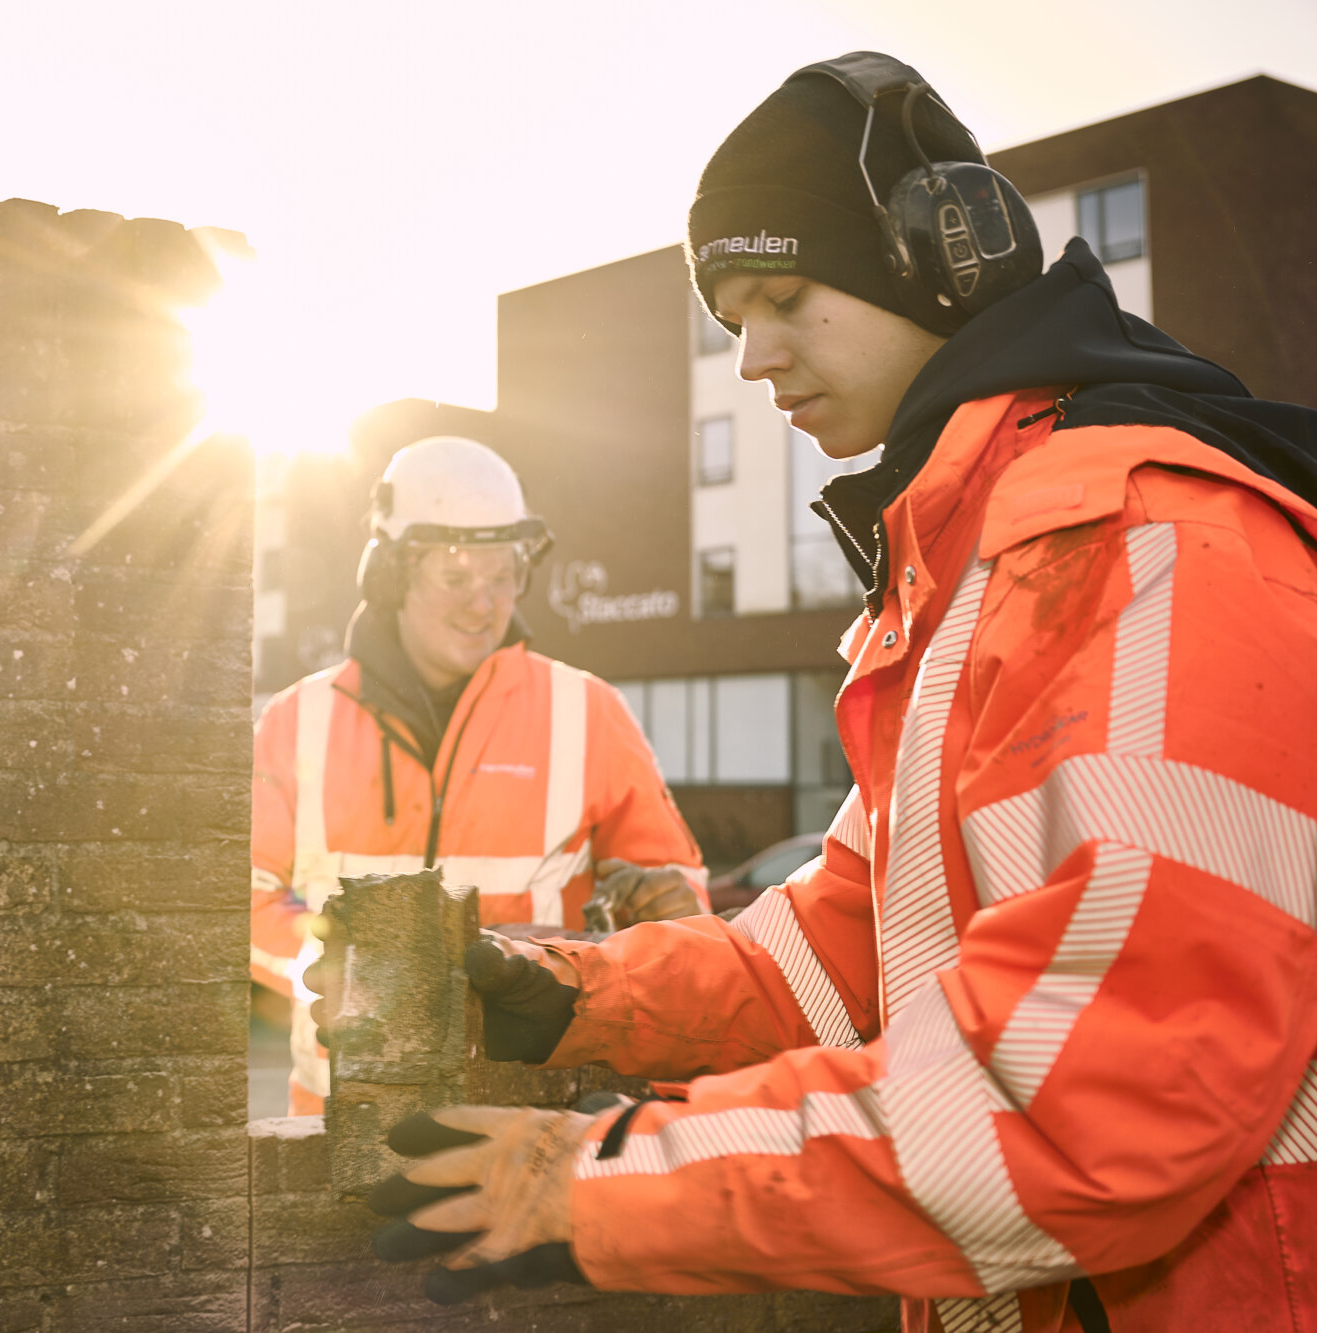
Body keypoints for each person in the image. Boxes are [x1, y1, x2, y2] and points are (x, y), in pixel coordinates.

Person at [358, 53, 1317, 1332]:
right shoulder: (974, 566)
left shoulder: (1146, 546)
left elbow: (1102, 1095)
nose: (752, 356)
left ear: (939, 260)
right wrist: (575, 995)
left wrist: (606, 1185)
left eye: (784, 296)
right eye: (728, 316)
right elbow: (846, 957)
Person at [252, 435, 706, 1115]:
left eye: (502, 576)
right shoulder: (296, 719)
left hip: (533, 1122)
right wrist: (338, 966)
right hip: (339, 1126)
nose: (483, 603)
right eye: (457, 577)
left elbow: (679, 901)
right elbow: (242, 901)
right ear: (391, 575)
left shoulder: (587, 711)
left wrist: (674, 912)